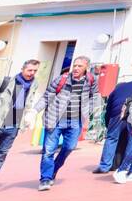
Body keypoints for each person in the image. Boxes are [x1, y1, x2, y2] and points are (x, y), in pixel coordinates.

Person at [33, 56, 99, 191]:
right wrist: (34, 110)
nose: (75, 68)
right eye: (74, 65)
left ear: (86, 67)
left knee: (69, 147)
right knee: (48, 151)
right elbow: (47, 96)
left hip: (75, 121)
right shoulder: (62, 79)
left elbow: (95, 96)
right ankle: (45, 179)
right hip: (55, 118)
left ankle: (53, 170)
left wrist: (89, 111)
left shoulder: (91, 80)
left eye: (79, 66)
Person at [94, 71, 132, 173]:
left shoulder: (121, 86)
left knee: (111, 139)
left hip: (116, 114)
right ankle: (126, 167)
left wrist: (108, 122)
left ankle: (104, 166)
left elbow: (109, 104)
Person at [0, 59, 39, 180]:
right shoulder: (7, 81)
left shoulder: (34, 84)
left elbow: (29, 103)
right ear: (22, 69)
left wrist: (28, 117)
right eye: (29, 70)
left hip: (13, 123)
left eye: (35, 70)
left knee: (2, 154)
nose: (32, 73)